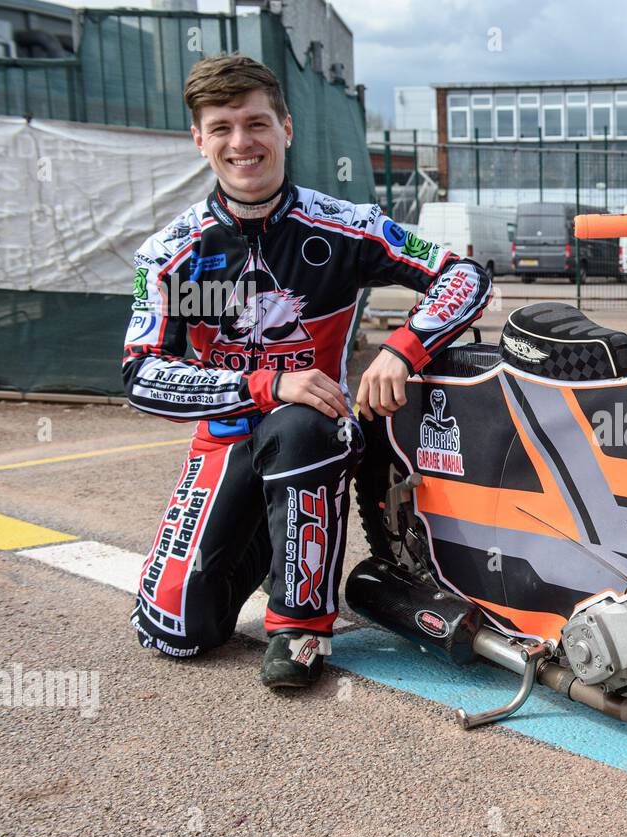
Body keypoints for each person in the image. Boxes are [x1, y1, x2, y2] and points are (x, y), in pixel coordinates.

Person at [123, 54, 491, 687]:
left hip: (315, 432)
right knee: (177, 631)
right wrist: (262, 384)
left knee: (302, 425)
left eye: (256, 123)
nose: (242, 142)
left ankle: (299, 627)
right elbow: (140, 374)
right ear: (199, 138)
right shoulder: (166, 255)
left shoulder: (348, 225)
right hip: (223, 441)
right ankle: (275, 538)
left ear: (285, 128)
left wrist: (404, 347)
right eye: (222, 127)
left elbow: (464, 274)